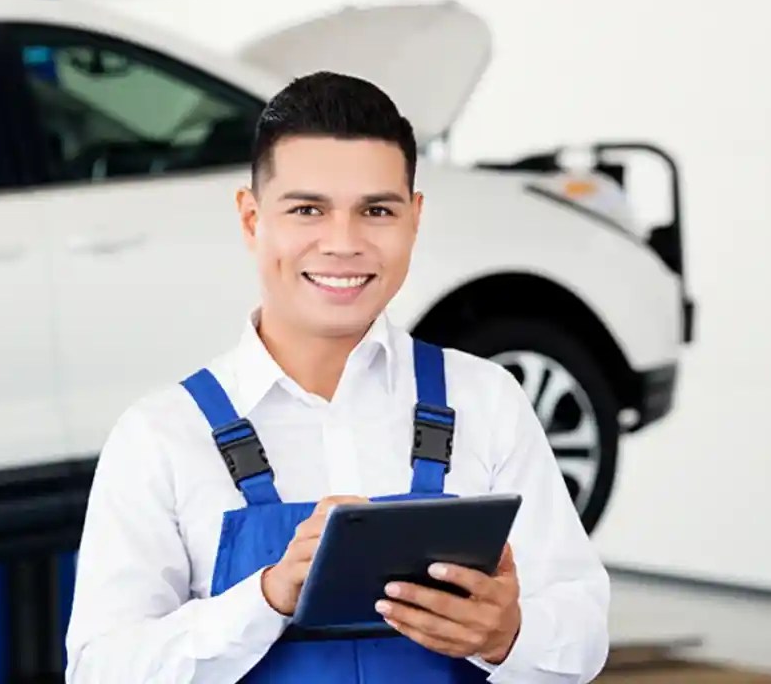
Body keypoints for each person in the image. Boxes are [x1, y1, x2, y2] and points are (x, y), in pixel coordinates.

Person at [64, 71, 610, 683]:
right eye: (307, 210)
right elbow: (99, 670)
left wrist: (508, 636)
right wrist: (265, 598)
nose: (343, 243)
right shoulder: (161, 437)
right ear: (251, 219)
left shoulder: (487, 402)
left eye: (376, 210)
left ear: (414, 218)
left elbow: (583, 634)